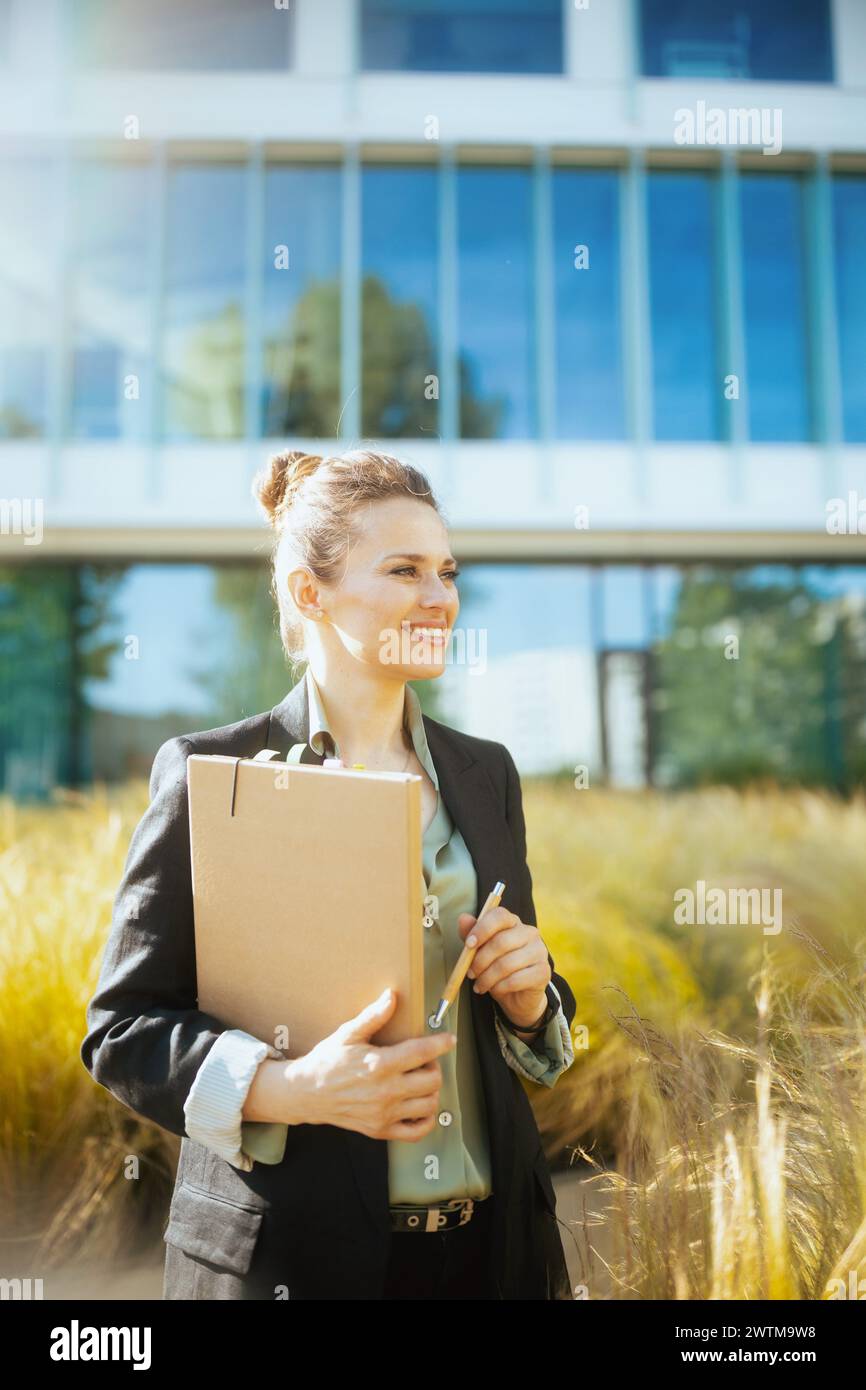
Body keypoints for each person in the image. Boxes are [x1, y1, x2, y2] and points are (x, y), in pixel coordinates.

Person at [81, 448, 577, 1300]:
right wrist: (292, 1089)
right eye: (405, 570)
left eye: (447, 571)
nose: (440, 597)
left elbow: (532, 1040)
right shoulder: (211, 772)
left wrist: (534, 1002)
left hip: (492, 1257)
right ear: (312, 593)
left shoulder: (485, 773)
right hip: (293, 1264)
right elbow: (122, 1030)